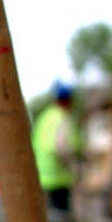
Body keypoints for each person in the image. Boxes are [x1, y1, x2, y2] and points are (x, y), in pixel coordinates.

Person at [32, 83, 80, 212]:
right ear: (69, 100)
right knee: (60, 220)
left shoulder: (45, 116)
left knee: (48, 217)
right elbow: (63, 148)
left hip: (41, 176)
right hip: (58, 177)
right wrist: (74, 168)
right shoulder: (63, 118)